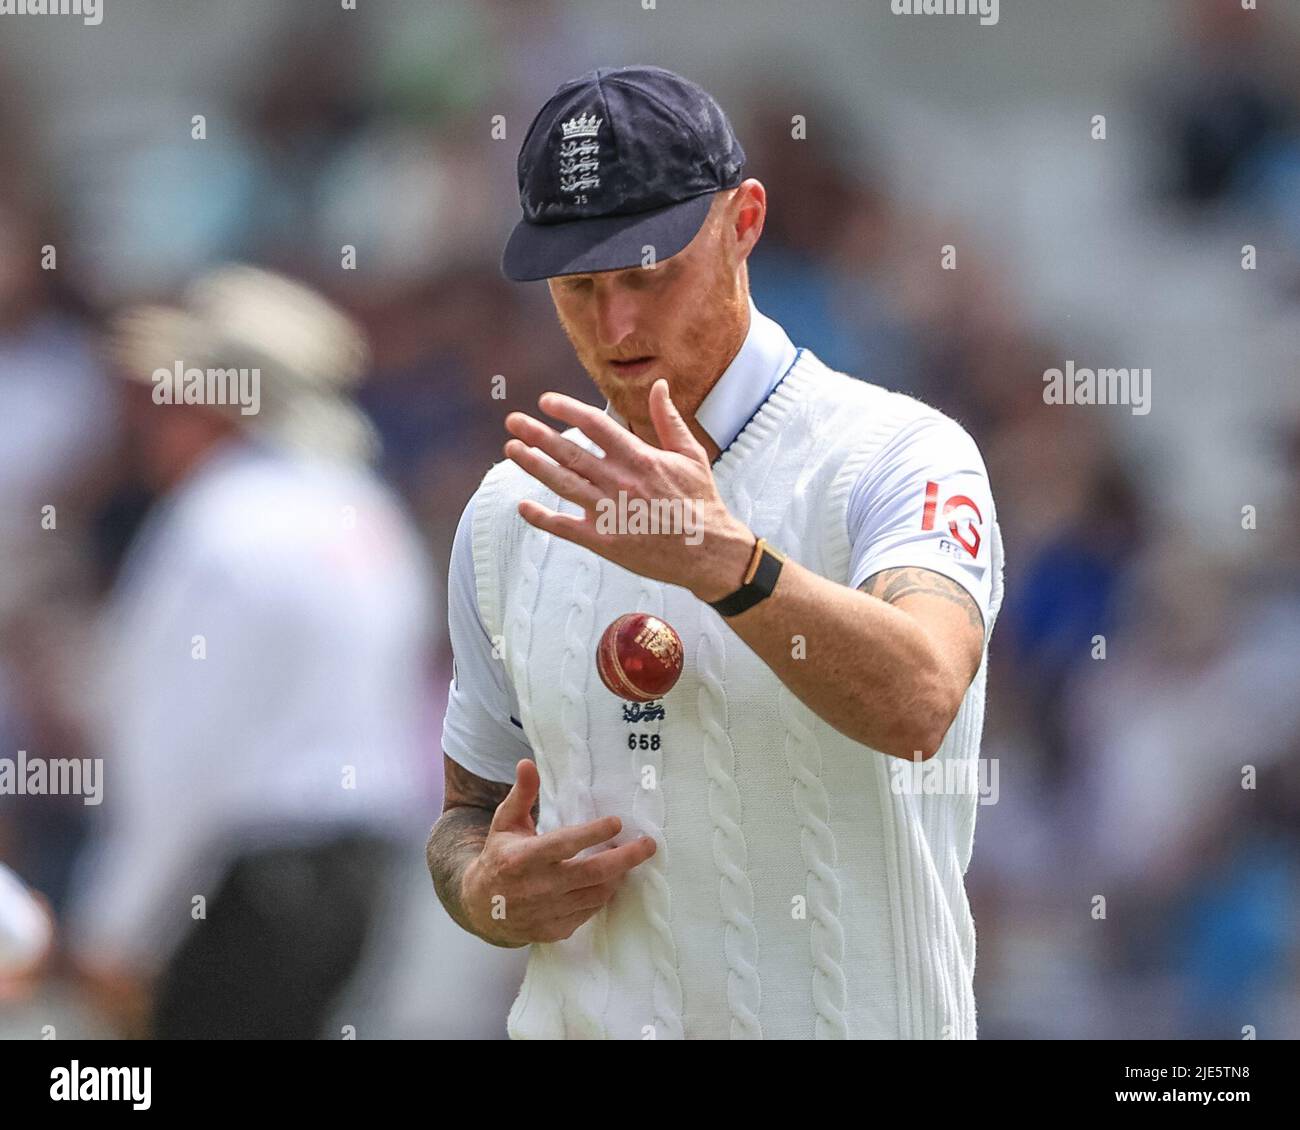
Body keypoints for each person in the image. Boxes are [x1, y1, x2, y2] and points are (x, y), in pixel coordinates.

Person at [429, 66, 1005, 1039]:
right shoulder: (507, 511)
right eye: (578, 285)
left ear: (743, 221)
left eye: (649, 273)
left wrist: (725, 562)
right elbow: (466, 812)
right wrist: (483, 890)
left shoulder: (900, 454)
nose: (614, 326)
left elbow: (920, 698)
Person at [66, 266, 436, 1039]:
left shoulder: (219, 523)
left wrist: (115, 928)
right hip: (366, 877)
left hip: (245, 888)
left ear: (218, 406)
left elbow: (180, 754)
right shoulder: (368, 512)